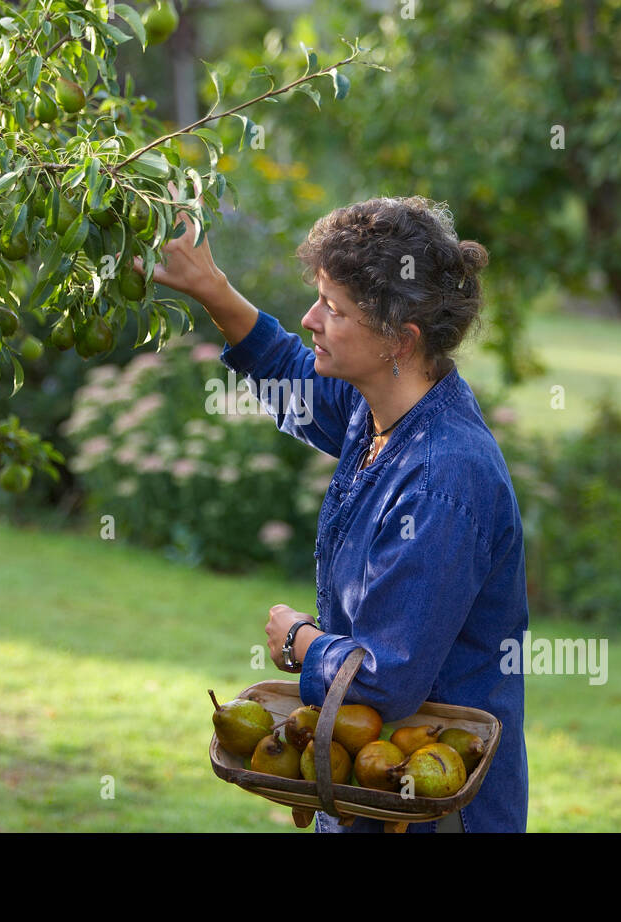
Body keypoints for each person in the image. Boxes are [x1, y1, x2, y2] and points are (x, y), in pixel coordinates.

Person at [135, 194, 529, 833]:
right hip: (362, 795)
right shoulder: (374, 411)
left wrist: (299, 640)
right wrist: (210, 288)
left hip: (430, 812)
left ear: (400, 340)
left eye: (334, 309)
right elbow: (292, 372)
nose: (311, 318)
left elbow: (384, 681)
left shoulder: (442, 477)